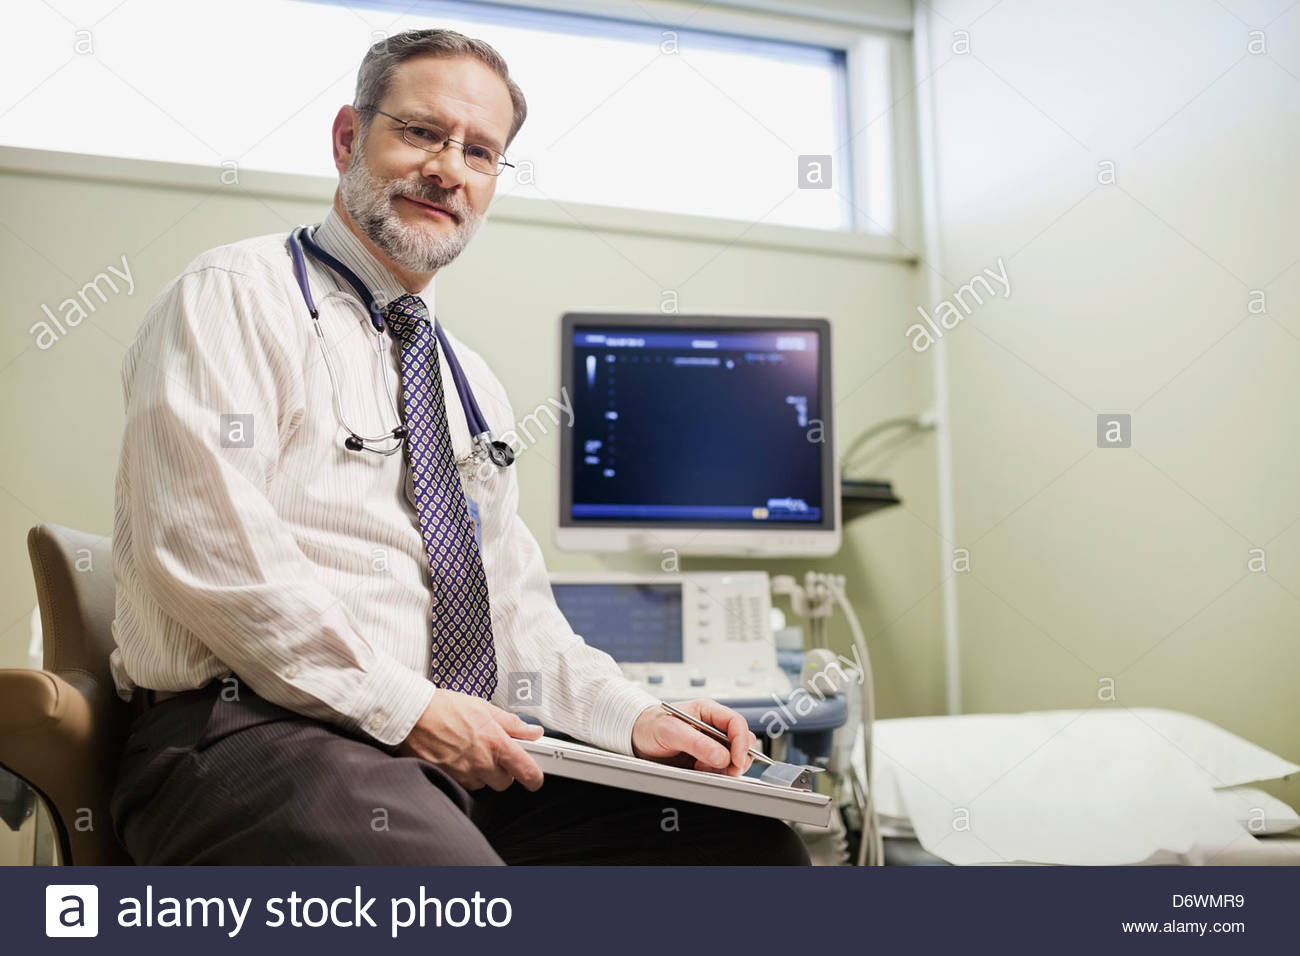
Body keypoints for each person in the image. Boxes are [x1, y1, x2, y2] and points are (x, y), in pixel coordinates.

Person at [108, 27, 809, 866]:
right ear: (346, 138)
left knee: (745, 844)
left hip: (448, 750)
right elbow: (209, 551)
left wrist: (638, 718)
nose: (449, 168)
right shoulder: (233, 296)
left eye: (480, 152)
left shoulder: (466, 380)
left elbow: (513, 618)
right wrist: (408, 709)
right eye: (420, 133)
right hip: (252, 731)